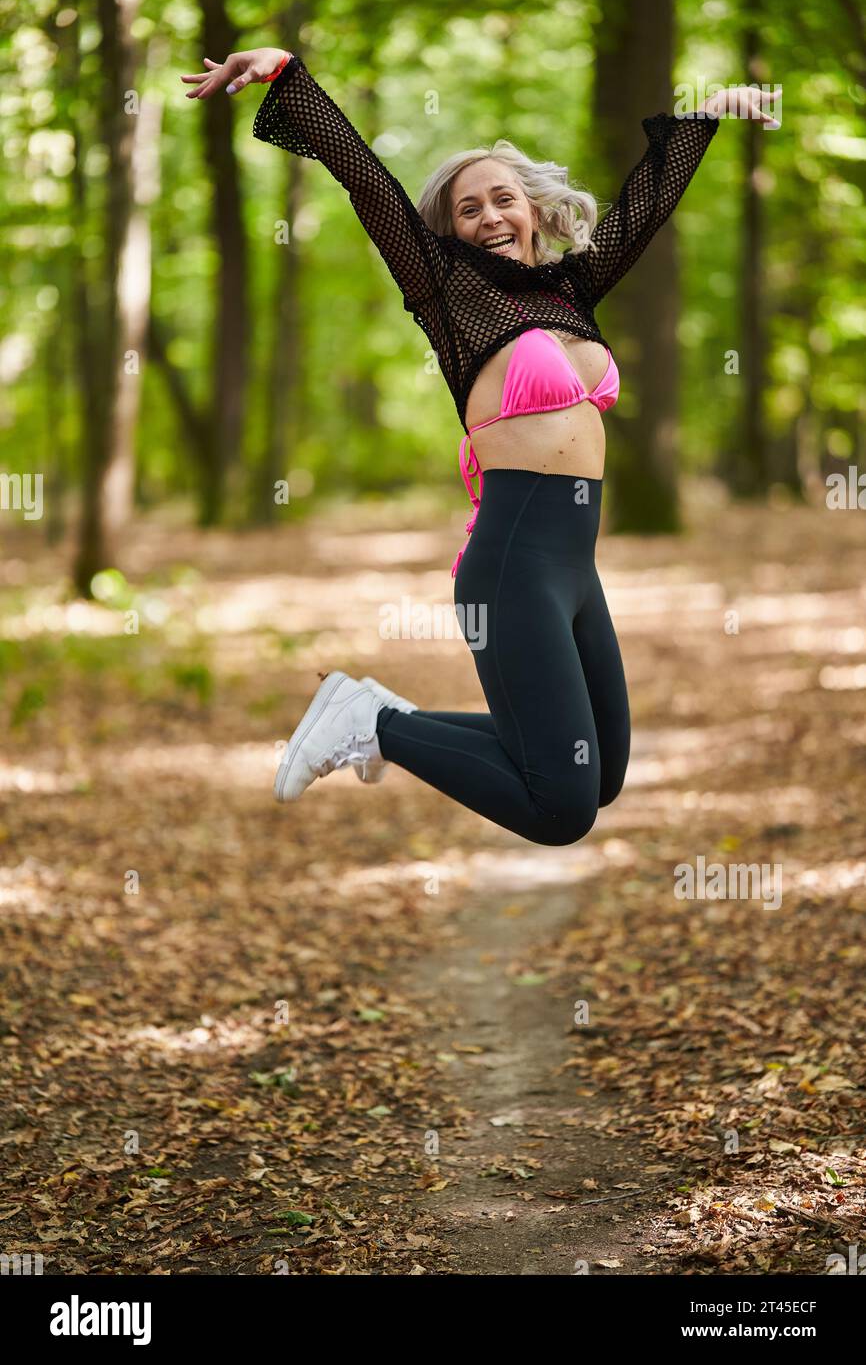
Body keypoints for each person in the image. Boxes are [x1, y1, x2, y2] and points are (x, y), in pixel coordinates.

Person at [182, 49, 780, 847]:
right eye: (469, 209)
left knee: (599, 775)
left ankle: (376, 715)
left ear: (532, 211)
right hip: (510, 569)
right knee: (560, 809)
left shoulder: (570, 291)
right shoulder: (450, 297)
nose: (491, 217)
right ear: (448, 231)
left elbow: (644, 210)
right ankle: (375, 725)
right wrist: (290, 77)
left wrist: (709, 114)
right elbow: (368, 182)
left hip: (575, 570)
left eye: (504, 199)